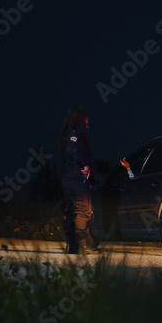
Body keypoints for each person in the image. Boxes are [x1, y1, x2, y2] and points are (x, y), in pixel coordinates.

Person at [58, 107, 96, 254]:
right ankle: (82, 244)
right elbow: (72, 150)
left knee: (70, 211)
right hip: (76, 180)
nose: (87, 125)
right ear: (80, 120)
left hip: (67, 179)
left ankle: (71, 245)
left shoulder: (65, 134)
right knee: (83, 211)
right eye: (85, 122)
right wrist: (84, 165)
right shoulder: (76, 134)